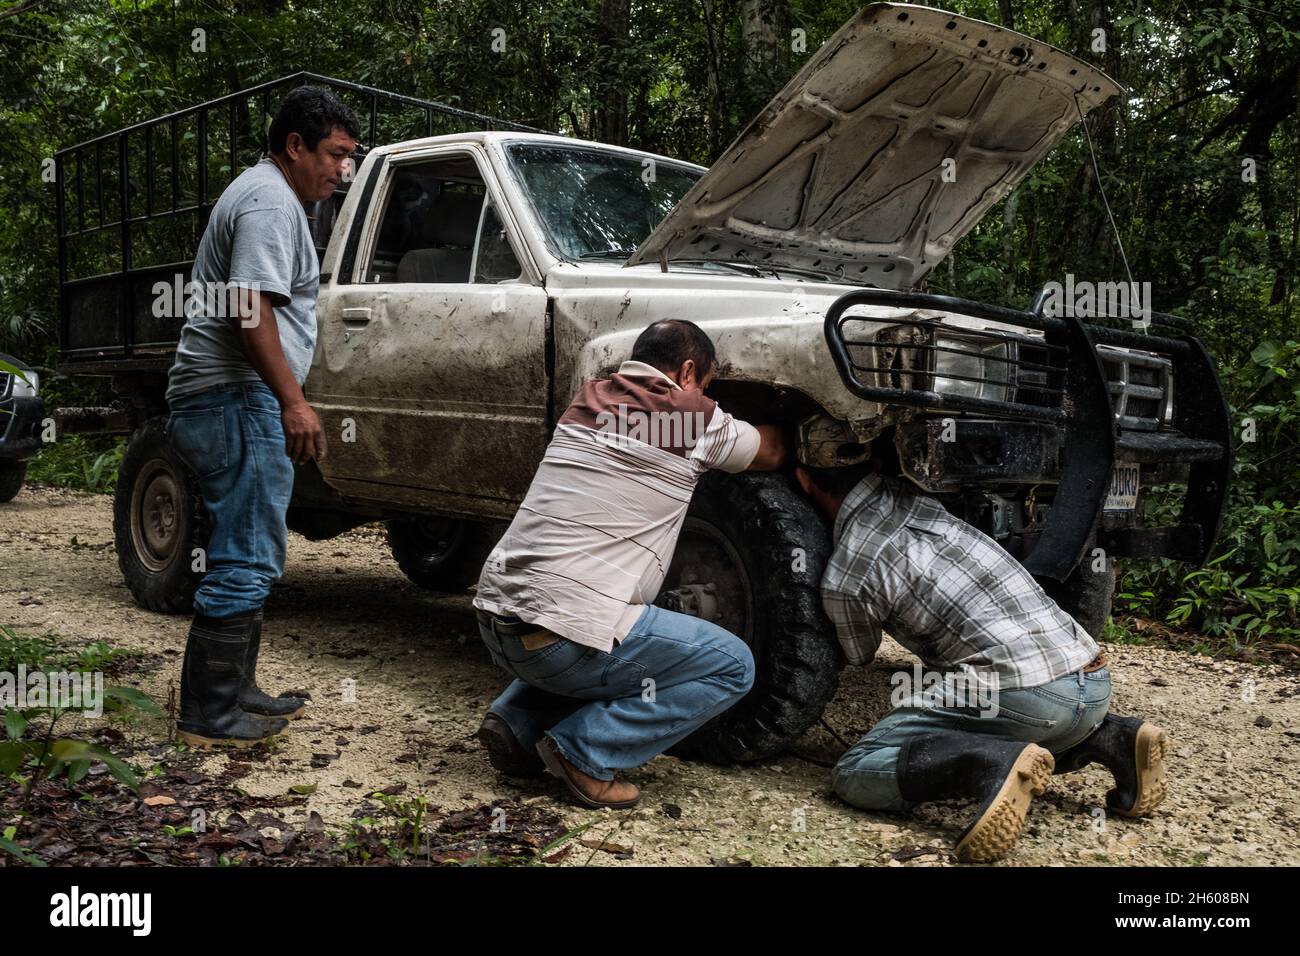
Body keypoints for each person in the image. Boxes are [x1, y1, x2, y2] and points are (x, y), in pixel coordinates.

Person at [794, 450, 1169, 862]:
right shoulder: (919, 499)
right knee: (1035, 716)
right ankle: (1114, 738)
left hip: (1025, 693)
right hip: (1091, 676)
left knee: (855, 771)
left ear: (803, 479)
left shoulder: (846, 573)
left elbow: (858, 652)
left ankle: (988, 763)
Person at [473, 319, 787, 808]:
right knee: (732, 666)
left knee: (597, 622)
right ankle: (586, 752)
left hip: (496, 620)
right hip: (559, 643)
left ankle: (515, 722)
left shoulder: (585, 401)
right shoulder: (696, 418)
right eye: (706, 385)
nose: (706, 396)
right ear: (688, 372)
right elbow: (769, 453)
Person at [164, 86, 359, 748]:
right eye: (335, 155)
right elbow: (250, 308)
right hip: (235, 394)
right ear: (295, 146)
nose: (344, 171)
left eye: (351, 158)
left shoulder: (266, 195)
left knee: (252, 545)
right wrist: (293, 401)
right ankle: (209, 715)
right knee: (246, 553)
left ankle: (234, 690)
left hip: (228, 395)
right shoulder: (272, 202)